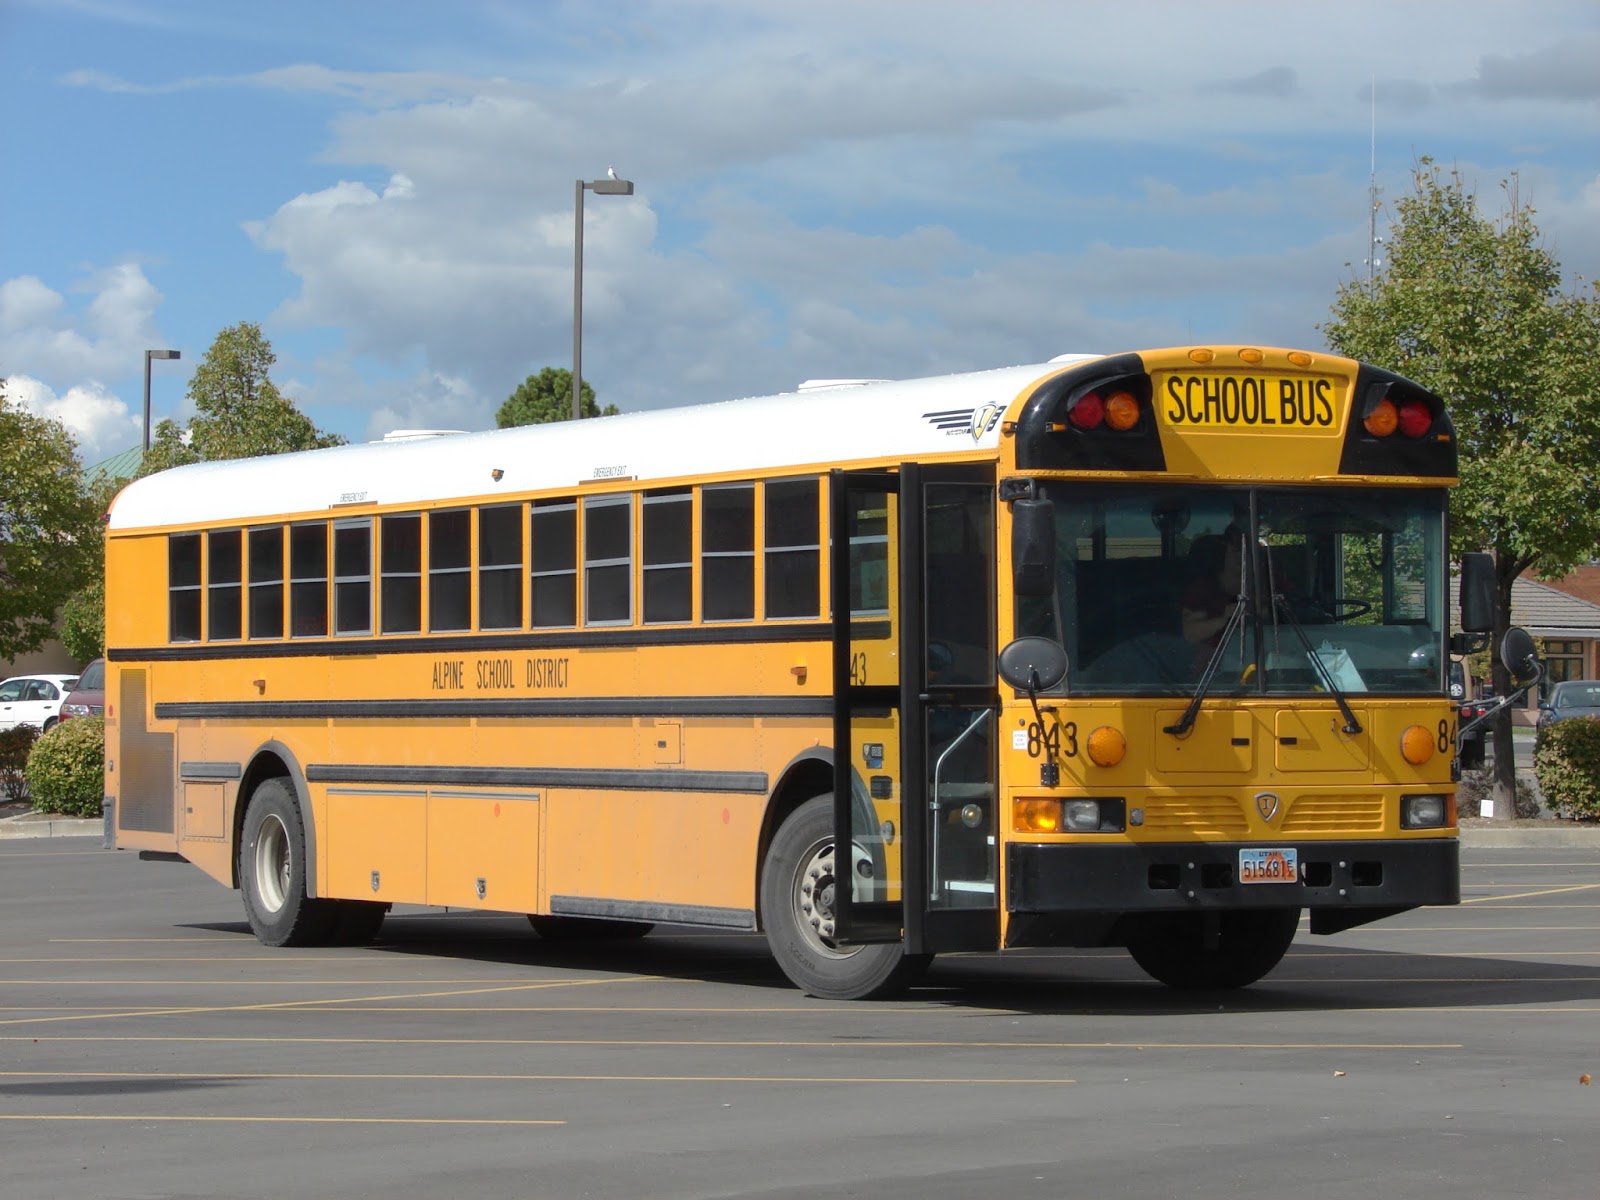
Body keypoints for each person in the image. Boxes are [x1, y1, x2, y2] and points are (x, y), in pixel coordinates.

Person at [1181, 533, 1243, 654]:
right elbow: (1190, 633)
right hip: (1215, 661)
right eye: (1236, 551)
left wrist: (1264, 613)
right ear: (1220, 557)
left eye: (1245, 551)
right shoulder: (1203, 589)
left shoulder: (1268, 583)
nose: (1241, 557)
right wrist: (1226, 619)